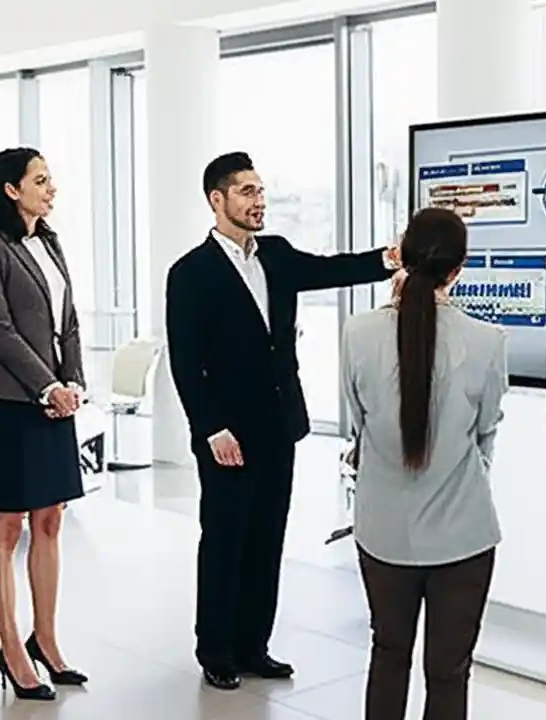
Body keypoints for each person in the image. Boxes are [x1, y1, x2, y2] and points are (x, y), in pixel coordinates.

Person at [166, 151, 400, 691]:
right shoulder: (191, 272)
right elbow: (186, 361)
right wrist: (210, 429)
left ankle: (254, 646)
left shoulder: (274, 254)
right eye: (246, 192)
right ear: (216, 199)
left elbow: (330, 268)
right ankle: (217, 650)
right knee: (225, 540)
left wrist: (389, 258)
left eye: (261, 191)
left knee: (267, 536)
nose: (258, 201)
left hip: (278, 425)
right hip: (227, 433)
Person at [340, 207, 508, 720]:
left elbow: (358, 424)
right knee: (450, 672)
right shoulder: (486, 341)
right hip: (463, 534)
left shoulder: (357, 332)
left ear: (403, 256)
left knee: (388, 655)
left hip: (383, 531)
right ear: (458, 269)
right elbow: (486, 431)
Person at [0, 147, 88, 701]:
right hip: (9, 403)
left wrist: (75, 381)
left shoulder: (51, 242)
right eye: (40, 180)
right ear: (11, 189)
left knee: (51, 521)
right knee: (7, 526)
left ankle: (48, 638)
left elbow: (69, 320)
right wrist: (48, 387)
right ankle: (11, 647)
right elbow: (0, 329)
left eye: (50, 179)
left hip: (56, 400)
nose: (51, 187)